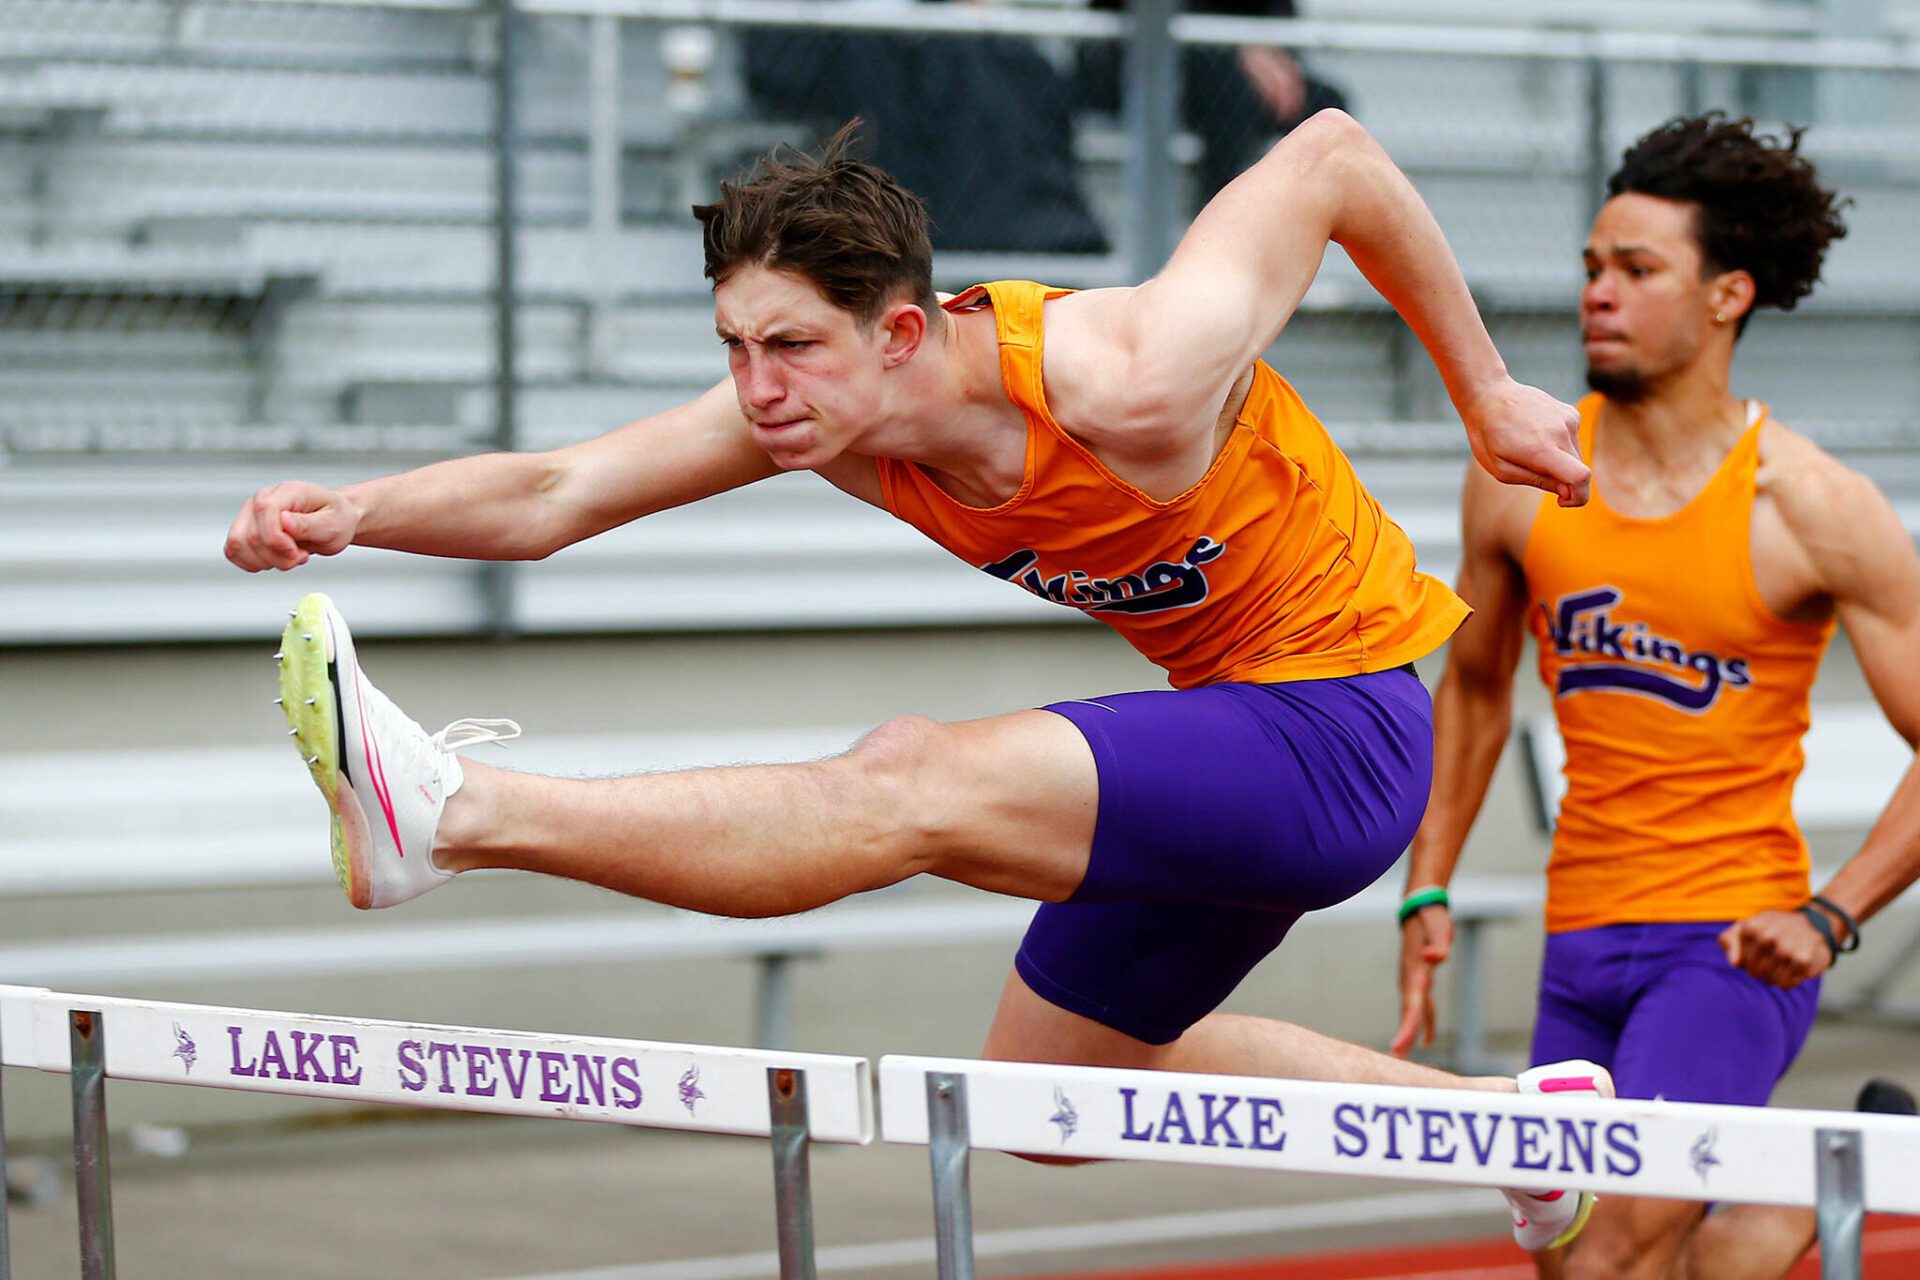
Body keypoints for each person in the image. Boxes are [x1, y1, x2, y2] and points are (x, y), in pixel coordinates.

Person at [228, 114, 1603, 1246]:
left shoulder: (1130, 378)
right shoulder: (818, 419)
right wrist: (354, 509)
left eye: (790, 348)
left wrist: (1482, 395)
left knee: (910, 776)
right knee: (1046, 1100)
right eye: (734, 349)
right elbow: (552, 489)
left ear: (899, 333)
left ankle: (457, 817)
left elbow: (1338, 157)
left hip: (1339, 730)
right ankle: (1505, 1131)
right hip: (1228, 745)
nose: (757, 390)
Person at [1391, 113, 1920, 1278]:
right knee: (1616, 1265)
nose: (1598, 295)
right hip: (1578, 937)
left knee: (1609, 1254)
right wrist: (1425, 876)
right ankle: (1847, 1160)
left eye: (1637, 271)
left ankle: (1835, 1160)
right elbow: (1475, 688)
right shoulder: (1526, 476)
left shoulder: (1812, 506)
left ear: (1728, 295)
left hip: (1729, 945)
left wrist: (1832, 915)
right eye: (1590, 268)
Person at [744, 3, 1110, 255]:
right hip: (955, 236)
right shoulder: (866, 47)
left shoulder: (1014, 56)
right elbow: (775, 73)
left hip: (1013, 239)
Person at [1079, 0, 1348, 212]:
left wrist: (1274, 58)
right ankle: (1216, 222)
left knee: (1327, 108)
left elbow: (1279, 16)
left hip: (1231, 75)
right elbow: (1156, 13)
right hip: (1132, 65)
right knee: (1228, 90)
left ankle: (1288, 221)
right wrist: (1239, 48)